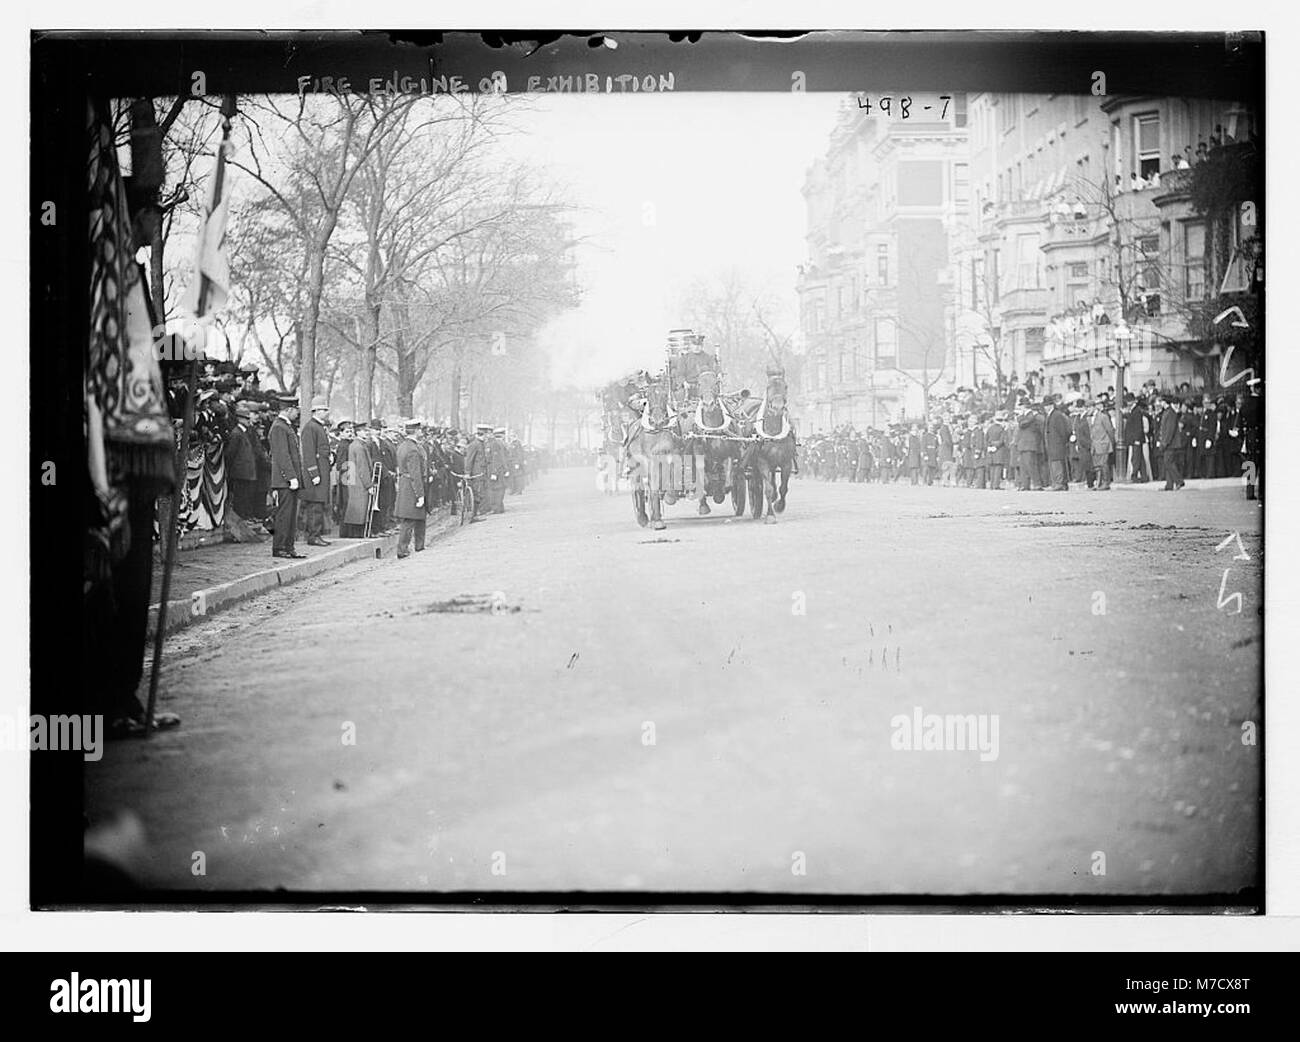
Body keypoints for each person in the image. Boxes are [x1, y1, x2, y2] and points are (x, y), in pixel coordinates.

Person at [268, 393, 305, 557]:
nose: (297, 413)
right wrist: (291, 476)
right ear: (289, 409)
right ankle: (280, 547)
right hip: (285, 480)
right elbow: (282, 455)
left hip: (290, 480)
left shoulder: (285, 426)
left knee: (290, 516)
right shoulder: (278, 427)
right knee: (284, 516)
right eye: (296, 409)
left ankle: (289, 547)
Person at [300, 396, 333, 546]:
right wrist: (314, 473)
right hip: (316, 473)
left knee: (319, 505)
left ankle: (316, 534)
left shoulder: (319, 427)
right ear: (316, 411)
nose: (326, 412)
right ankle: (313, 536)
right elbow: (308, 453)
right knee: (315, 506)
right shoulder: (310, 427)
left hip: (323, 470)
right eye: (323, 410)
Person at [395, 419, 428, 558]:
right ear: (416, 431)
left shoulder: (403, 445)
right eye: (420, 430)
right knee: (409, 519)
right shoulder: (413, 449)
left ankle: (419, 545)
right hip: (411, 485)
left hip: (405, 483)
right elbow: (415, 473)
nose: (421, 432)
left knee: (419, 516)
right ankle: (402, 549)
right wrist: (420, 494)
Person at [224, 402, 261, 523]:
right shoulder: (236, 433)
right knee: (241, 497)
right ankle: (242, 518)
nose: (248, 421)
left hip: (247, 472)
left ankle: (246, 517)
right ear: (240, 419)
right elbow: (230, 454)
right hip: (240, 472)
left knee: (246, 496)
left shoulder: (245, 432)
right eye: (246, 418)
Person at [1044, 395, 1071, 491]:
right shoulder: (1051, 415)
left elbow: (1063, 431)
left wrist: (1061, 442)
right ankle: (1058, 482)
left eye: (1047, 405)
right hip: (1053, 444)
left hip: (1057, 444)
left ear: (1051, 405)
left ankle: (1060, 483)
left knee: (1058, 464)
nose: (1045, 408)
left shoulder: (1057, 415)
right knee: (1055, 464)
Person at [464, 424, 491, 519]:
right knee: (477, 493)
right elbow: (469, 460)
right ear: (482, 433)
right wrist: (467, 473)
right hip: (476, 473)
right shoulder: (474, 444)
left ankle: (478, 513)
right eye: (486, 434)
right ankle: (474, 515)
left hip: (482, 473)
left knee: (482, 493)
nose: (487, 436)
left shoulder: (482, 444)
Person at [1089, 399, 1116, 490]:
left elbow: (1110, 430)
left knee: (1104, 464)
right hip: (1095, 445)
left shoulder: (1103, 417)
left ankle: (1106, 482)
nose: (1088, 410)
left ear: (1094, 407)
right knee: (1097, 465)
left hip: (1103, 444)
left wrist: (1111, 442)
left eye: (1089, 407)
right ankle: (1099, 483)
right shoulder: (1090, 418)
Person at [1159, 398, 1185, 490]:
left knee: (1168, 462)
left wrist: (1165, 443)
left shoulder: (1170, 413)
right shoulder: (1168, 412)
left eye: (1161, 401)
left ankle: (1179, 481)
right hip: (1170, 443)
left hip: (1171, 443)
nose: (1160, 403)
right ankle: (1169, 485)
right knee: (1168, 463)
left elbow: (1169, 430)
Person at [1015, 403, 1043, 491]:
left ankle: (1037, 483)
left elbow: (1022, 424)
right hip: (1023, 444)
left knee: (1030, 465)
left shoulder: (1030, 415)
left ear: (1024, 406)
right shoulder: (1025, 416)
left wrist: (1020, 416)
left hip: (1029, 444)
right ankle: (1025, 484)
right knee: (1023, 466)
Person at [487, 427, 510, 513]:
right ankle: (499, 507)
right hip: (499, 469)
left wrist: (494, 472)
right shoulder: (498, 443)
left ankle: (496, 508)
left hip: (496, 470)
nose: (487, 435)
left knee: (496, 489)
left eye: (488, 433)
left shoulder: (494, 444)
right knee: (499, 488)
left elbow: (496, 458)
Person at [986, 411, 1007, 489]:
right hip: (999, 450)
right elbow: (1002, 440)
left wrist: (990, 446)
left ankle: (992, 485)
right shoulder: (1002, 429)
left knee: (992, 468)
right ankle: (996, 485)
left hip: (990, 450)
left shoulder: (990, 428)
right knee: (998, 468)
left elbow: (986, 439)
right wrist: (996, 446)